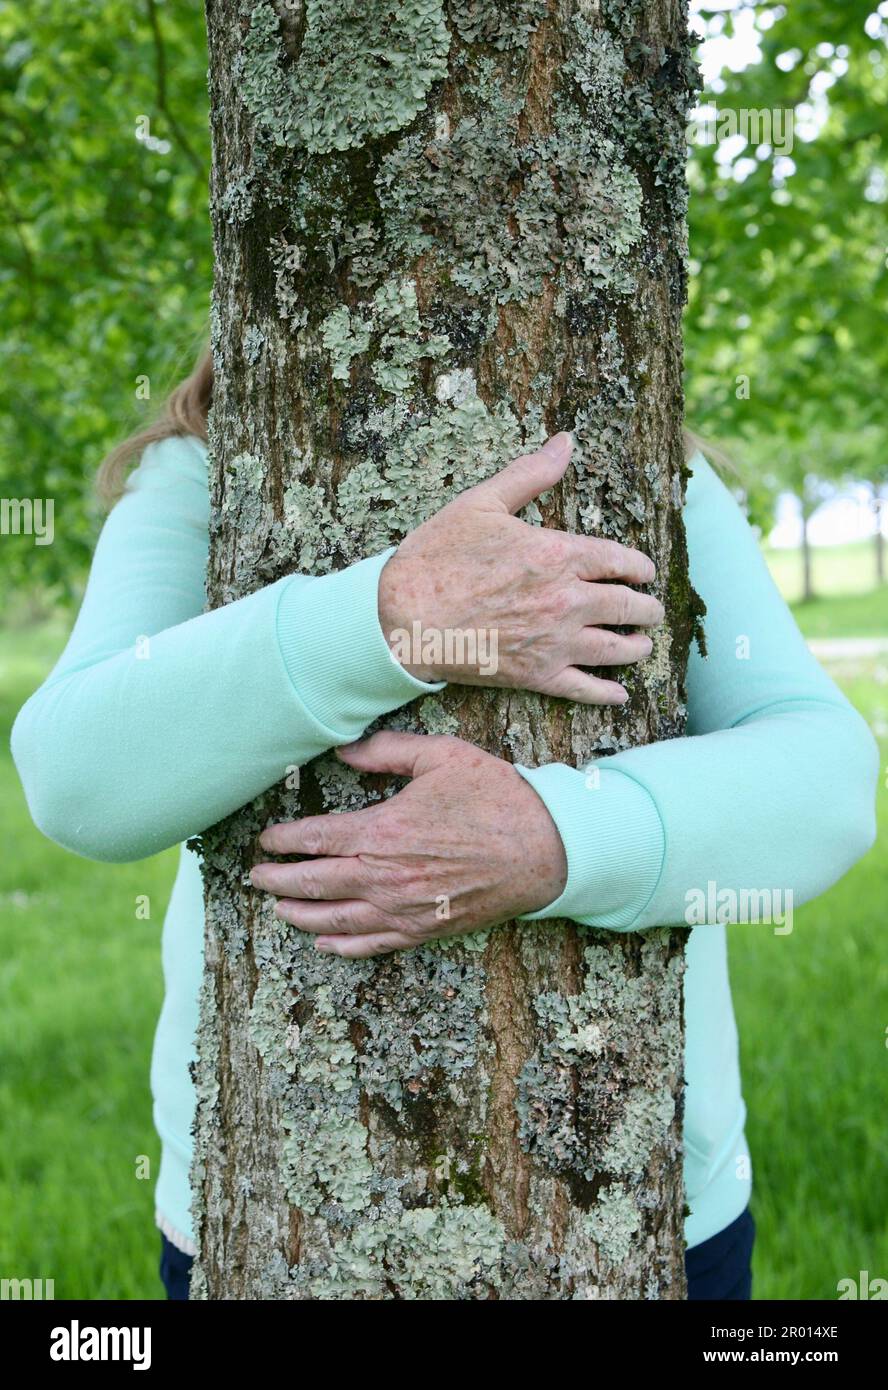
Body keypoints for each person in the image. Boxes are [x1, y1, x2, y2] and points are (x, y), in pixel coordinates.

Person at [11, 349, 877, 1301]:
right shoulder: (209, 463)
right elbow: (75, 775)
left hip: (654, 1213)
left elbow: (828, 781)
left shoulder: (644, 461)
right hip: (271, 1218)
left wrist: (557, 839)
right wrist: (394, 619)